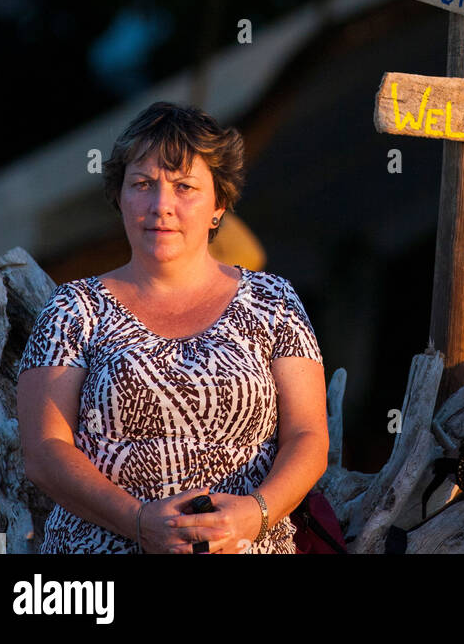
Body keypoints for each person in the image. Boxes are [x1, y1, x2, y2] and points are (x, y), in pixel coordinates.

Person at [17, 101, 329, 554]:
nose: (161, 205)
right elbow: (45, 451)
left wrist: (256, 511)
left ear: (219, 204)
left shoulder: (274, 301)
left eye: (184, 187)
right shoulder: (72, 309)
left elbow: (308, 437)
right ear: (119, 196)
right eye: (142, 184)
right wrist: (139, 522)